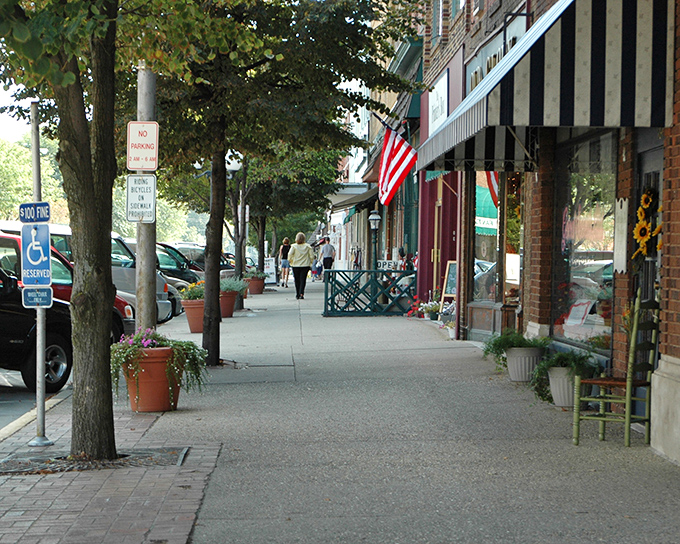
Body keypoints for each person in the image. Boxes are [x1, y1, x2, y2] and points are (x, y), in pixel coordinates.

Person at [287, 232, 314, 299]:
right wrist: (310, 262)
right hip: (305, 265)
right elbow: (312, 256)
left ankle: (297, 294)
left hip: (295, 265)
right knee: (303, 280)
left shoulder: (294, 246)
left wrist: (291, 261)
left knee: (297, 280)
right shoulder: (308, 247)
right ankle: (301, 293)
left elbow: (290, 255)